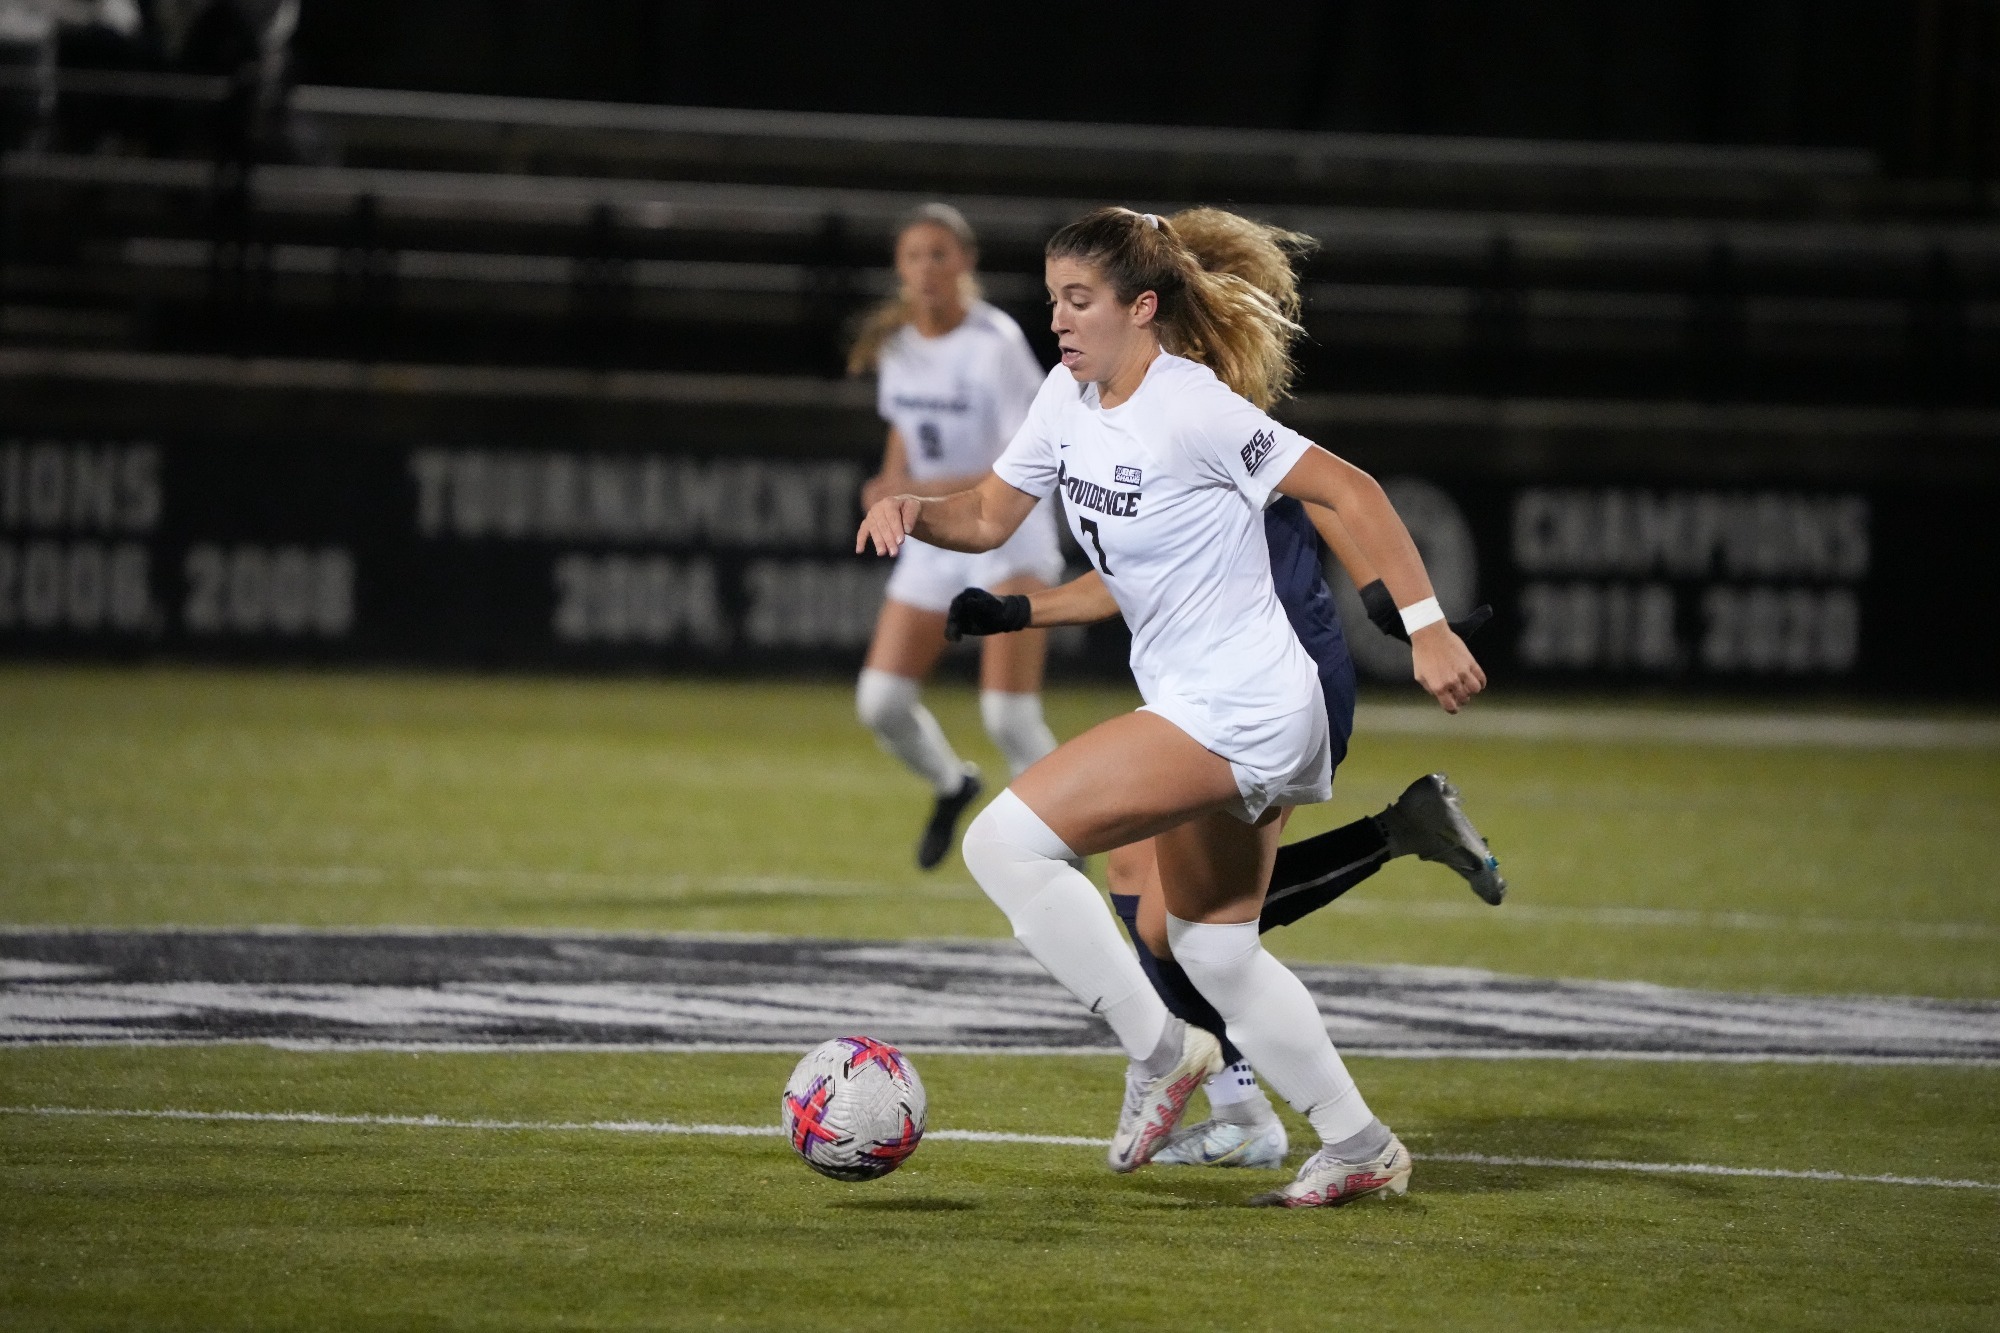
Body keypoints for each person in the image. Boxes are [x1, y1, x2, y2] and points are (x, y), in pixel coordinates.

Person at [858, 205, 1487, 1208]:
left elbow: (1351, 490)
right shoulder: (1069, 399)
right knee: (1208, 945)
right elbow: (985, 514)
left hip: (1241, 705)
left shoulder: (1192, 405)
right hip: (1220, 705)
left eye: (1079, 299)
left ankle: (1160, 1054)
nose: (1058, 319)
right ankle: (1358, 1142)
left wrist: (1424, 624)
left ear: (1140, 307)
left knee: (1003, 846)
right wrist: (912, 513)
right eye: (1053, 296)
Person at [947, 494, 1503, 1169]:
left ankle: (1250, 1104)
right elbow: (1139, 571)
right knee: (1141, 883)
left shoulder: (1201, 411)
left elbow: (1332, 490)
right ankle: (1248, 1107)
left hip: (1271, 684)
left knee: (1183, 929)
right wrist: (1021, 612)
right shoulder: (1143, 423)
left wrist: (1405, 612)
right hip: (1212, 682)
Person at [848, 203, 1067, 869]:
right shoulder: (898, 343)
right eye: (914, 256)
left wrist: (922, 494)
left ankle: (1066, 836)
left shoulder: (993, 341)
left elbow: (1029, 456)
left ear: (966, 262)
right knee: (881, 702)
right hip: (934, 534)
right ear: (899, 267)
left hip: (1007, 533)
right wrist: (889, 481)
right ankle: (953, 783)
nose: (926, 268)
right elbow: (904, 428)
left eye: (939, 254)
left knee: (1008, 715)